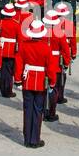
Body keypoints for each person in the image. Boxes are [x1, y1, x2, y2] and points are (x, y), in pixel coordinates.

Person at [15, 18, 59, 149]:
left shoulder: (24, 45)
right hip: (40, 81)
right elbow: (51, 68)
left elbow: (18, 64)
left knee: (27, 109)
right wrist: (52, 82)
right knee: (38, 110)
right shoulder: (46, 47)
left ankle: (27, 138)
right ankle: (34, 138)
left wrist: (18, 80)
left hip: (27, 79)